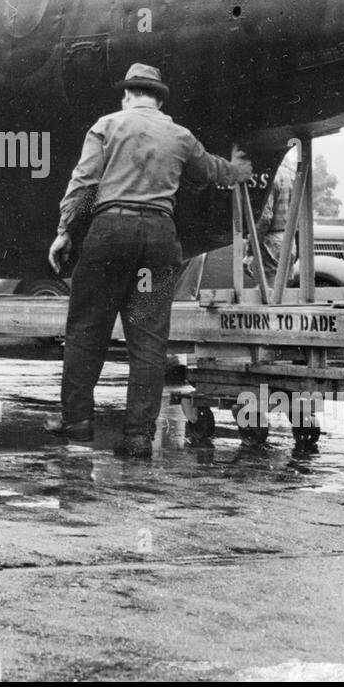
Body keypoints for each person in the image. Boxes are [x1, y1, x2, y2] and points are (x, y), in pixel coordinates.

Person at [46, 63, 252, 458]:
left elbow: (84, 183)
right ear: (159, 99)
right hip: (157, 241)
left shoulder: (106, 126)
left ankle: (77, 422)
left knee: (87, 330)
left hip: (110, 234)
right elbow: (214, 171)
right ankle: (139, 436)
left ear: (128, 95)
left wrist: (65, 231)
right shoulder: (180, 135)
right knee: (148, 340)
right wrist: (239, 170)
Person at [255, 143, 299, 283]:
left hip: (272, 241)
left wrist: (251, 247)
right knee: (281, 291)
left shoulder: (272, 178)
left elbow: (265, 217)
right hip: (289, 239)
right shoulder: (293, 177)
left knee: (269, 291)